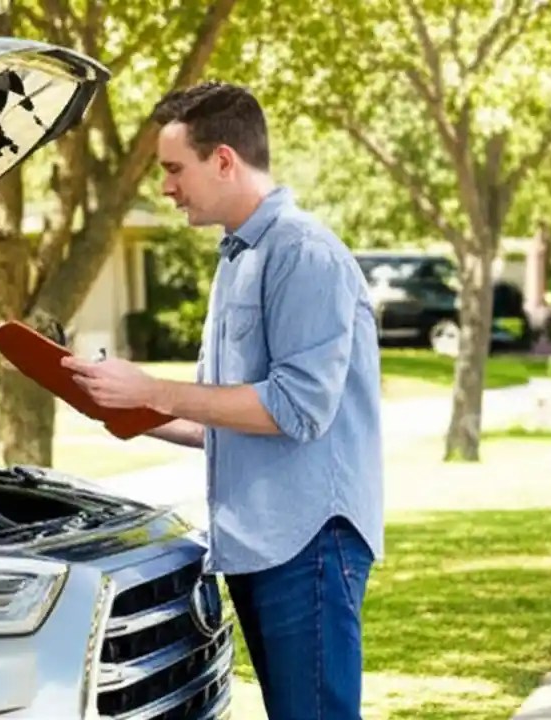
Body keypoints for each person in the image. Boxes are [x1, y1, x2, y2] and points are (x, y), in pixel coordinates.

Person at [61, 81, 383, 719]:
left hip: (310, 542)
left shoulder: (302, 253)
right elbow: (219, 415)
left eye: (175, 169)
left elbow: (299, 409)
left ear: (225, 160)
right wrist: (122, 407)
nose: (167, 188)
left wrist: (152, 388)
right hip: (260, 542)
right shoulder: (239, 258)